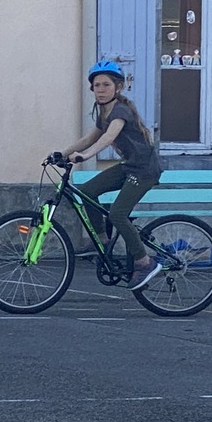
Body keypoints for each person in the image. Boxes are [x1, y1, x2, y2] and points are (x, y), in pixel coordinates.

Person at [59, 59, 165, 290]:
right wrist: (61, 153)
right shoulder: (103, 112)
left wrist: (84, 157)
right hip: (129, 166)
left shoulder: (120, 111)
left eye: (106, 85)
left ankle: (144, 262)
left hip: (144, 170)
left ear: (118, 87)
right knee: (87, 191)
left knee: (117, 214)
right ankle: (102, 242)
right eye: (97, 85)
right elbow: (89, 137)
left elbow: (107, 138)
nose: (101, 89)